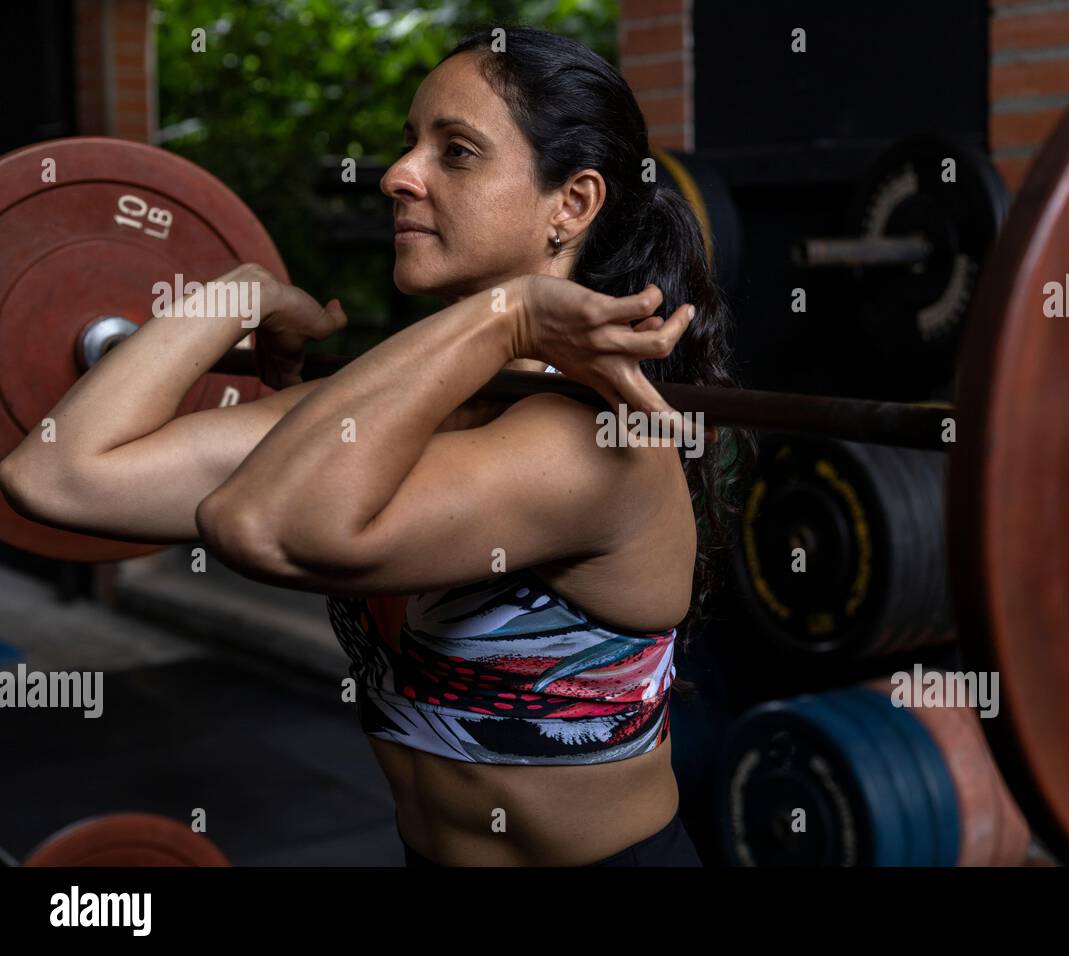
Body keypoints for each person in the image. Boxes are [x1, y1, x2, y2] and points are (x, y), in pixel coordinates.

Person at [0, 25, 749, 866]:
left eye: (455, 151)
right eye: (408, 145)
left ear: (571, 204)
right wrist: (237, 293)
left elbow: (260, 522)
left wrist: (510, 315)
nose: (397, 176)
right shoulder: (401, 405)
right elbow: (56, 474)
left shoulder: (585, 443)